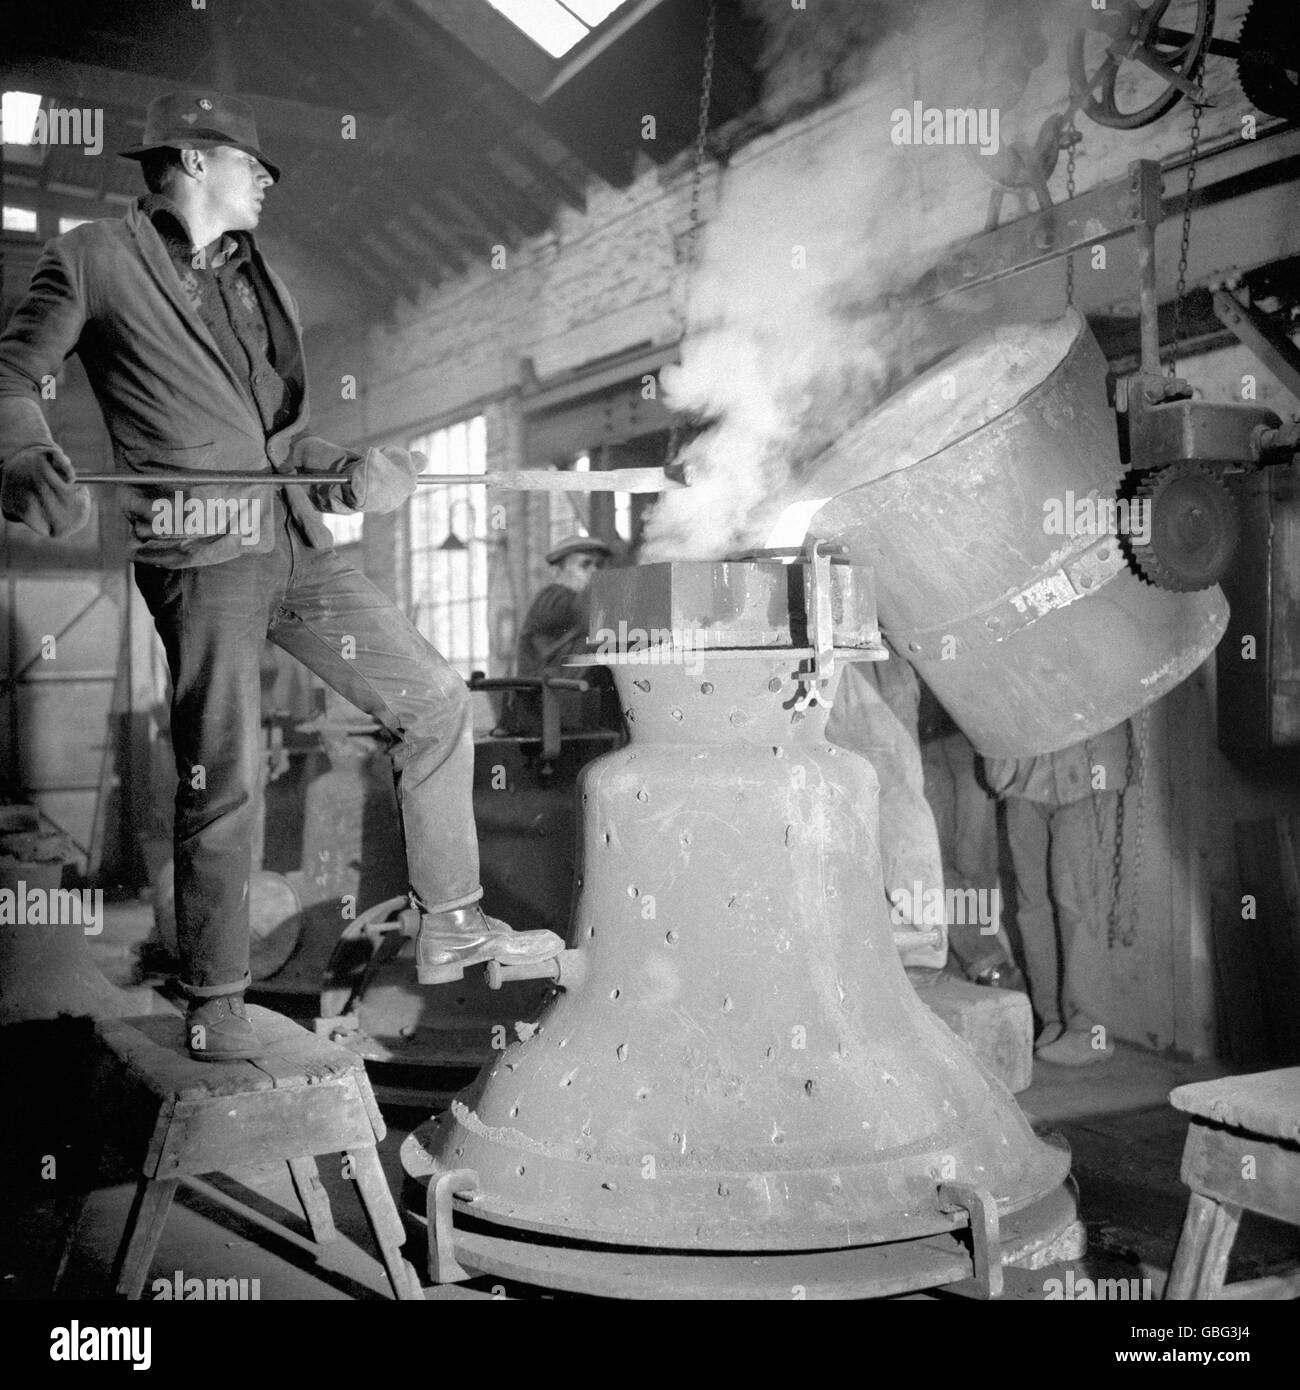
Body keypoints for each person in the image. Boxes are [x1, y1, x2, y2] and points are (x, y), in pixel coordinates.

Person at [0, 92, 562, 1062]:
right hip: (199, 545)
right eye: (249, 165)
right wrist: (19, 457)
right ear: (188, 162)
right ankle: (214, 996)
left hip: (297, 541)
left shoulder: (263, 280)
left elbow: (286, 437)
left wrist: (349, 469)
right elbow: (11, 377)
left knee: (431, 696)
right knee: (222, 774)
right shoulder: (94, 255)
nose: (265, 180)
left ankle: (450, 917)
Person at [983, 720, 1138, 1067]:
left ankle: (1090, 1031)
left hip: (1085, 766)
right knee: (1031, 905)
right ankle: (1053, 1020)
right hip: (1023, 769)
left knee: (1078, 904)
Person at [506, 535, 614, 734]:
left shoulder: (579, 603)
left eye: (599, 565)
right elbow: (589, 615)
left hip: (567, 709)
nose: (595, 572)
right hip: (548, 715)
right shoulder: (552, 600)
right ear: (557, 572)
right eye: (585, 565)